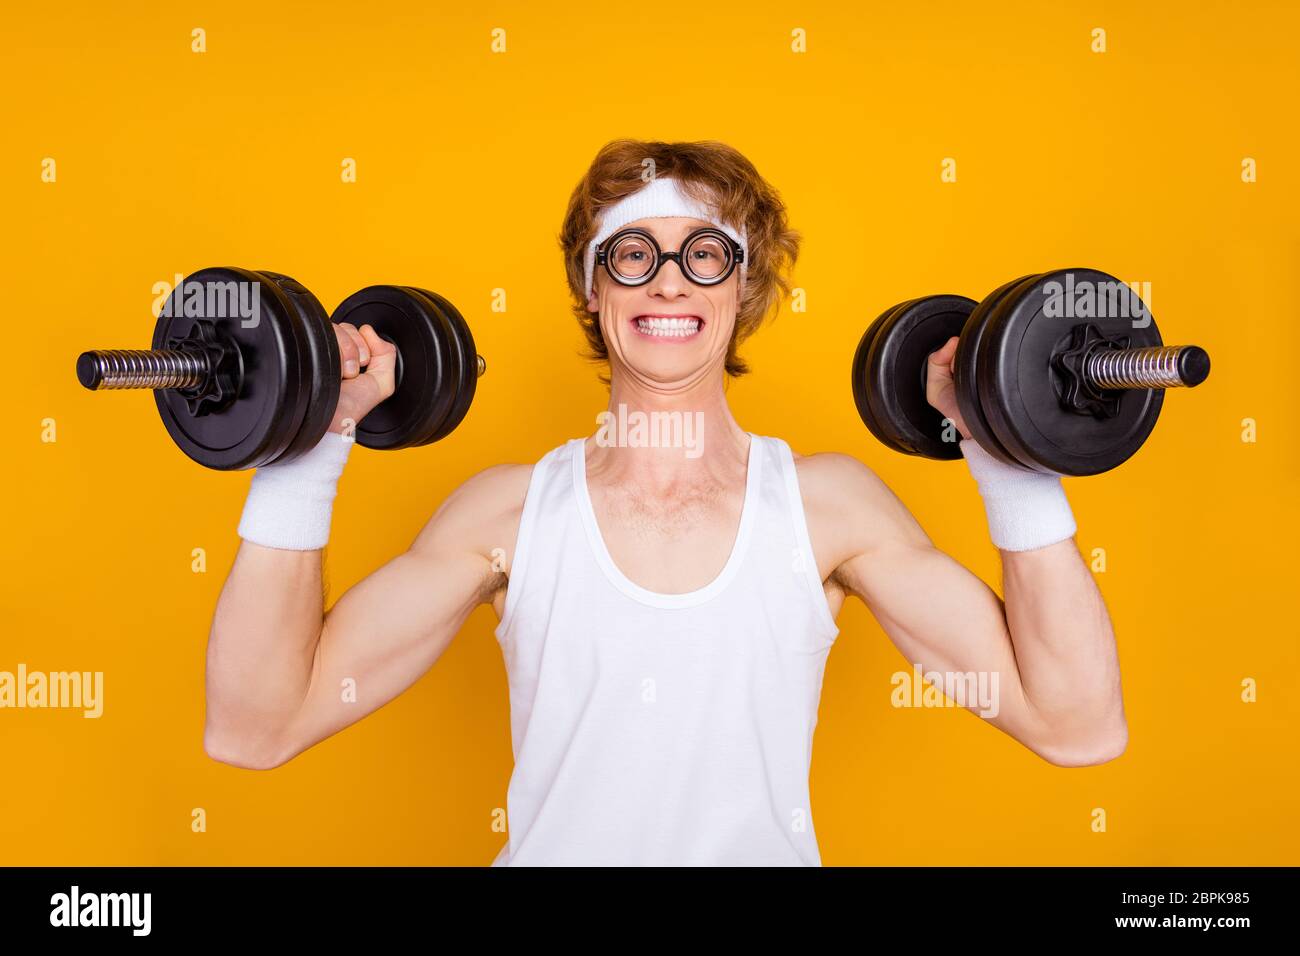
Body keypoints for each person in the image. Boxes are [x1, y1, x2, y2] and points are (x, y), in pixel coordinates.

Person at [204, 139, 1127, 866]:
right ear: (591, 286)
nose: (670, 280)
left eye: (706, 254)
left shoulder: (828, 510)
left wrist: (1007, 454)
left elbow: (1076, 725)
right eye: (634, 254)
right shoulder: (508, 517)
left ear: (743, 288)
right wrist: (307, 448)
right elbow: (257, 726)